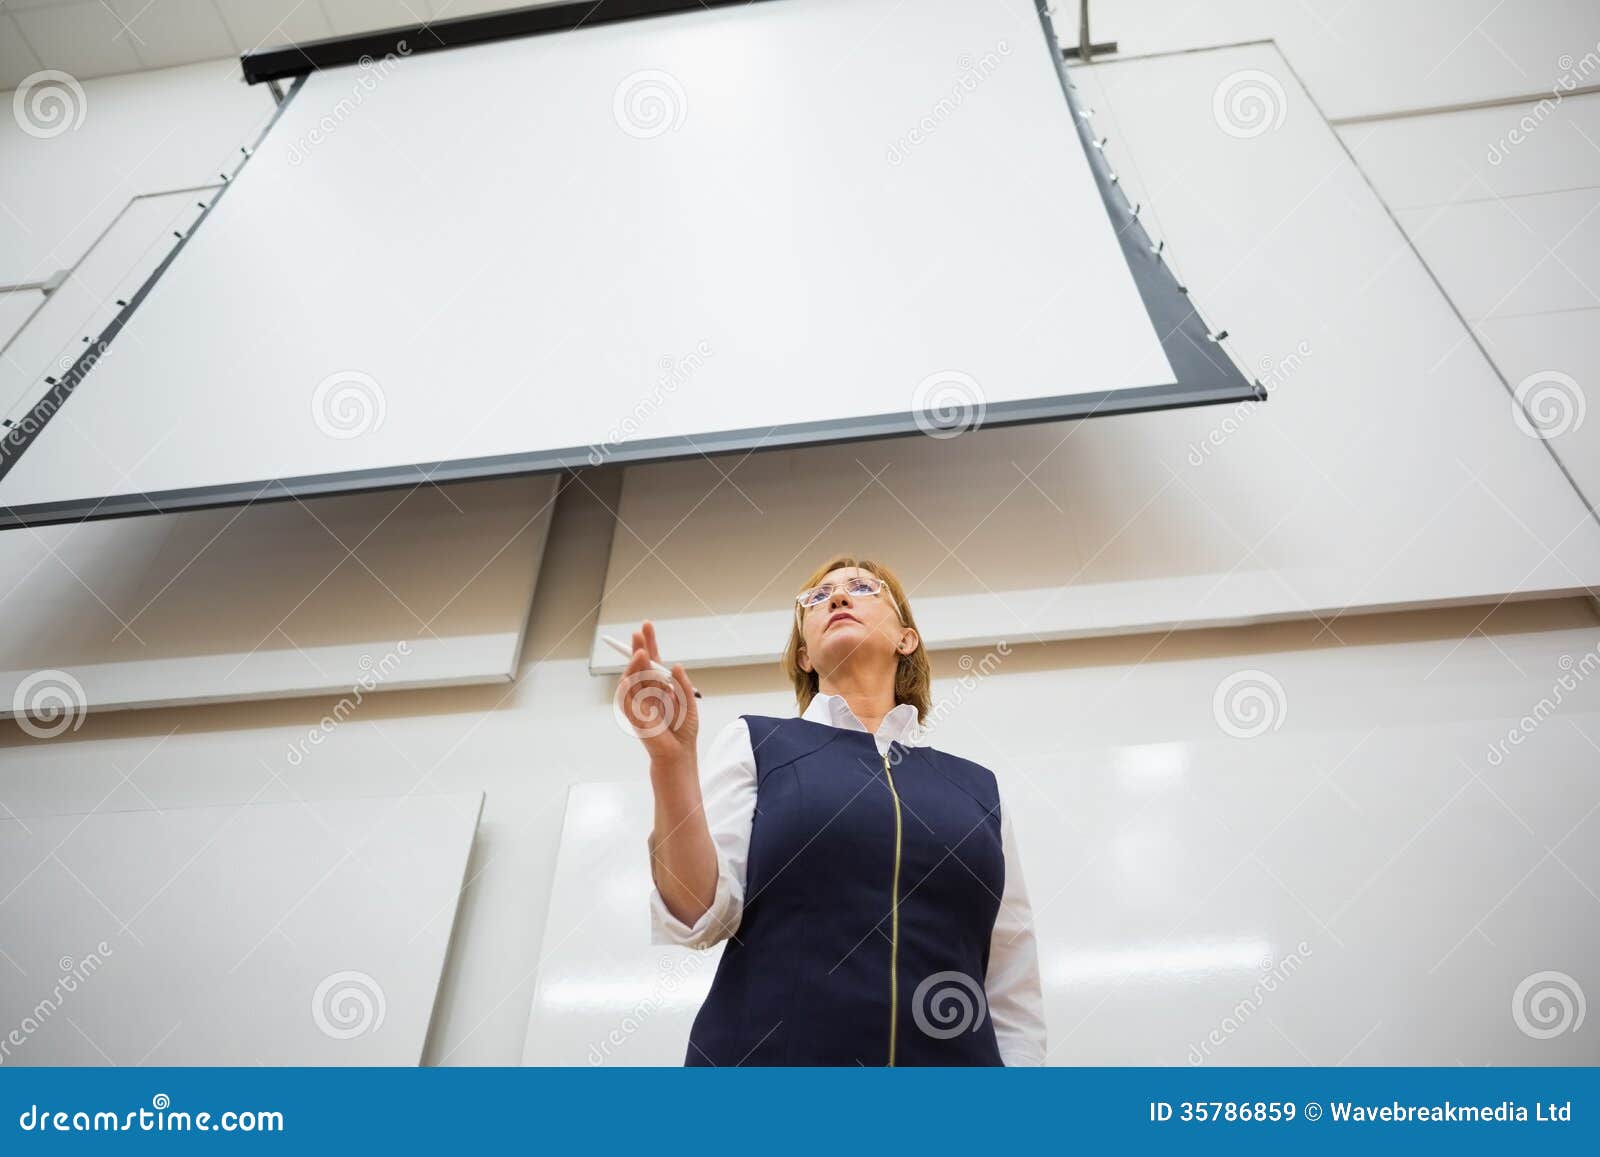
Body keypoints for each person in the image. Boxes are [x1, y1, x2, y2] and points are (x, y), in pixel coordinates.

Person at [618, 554, 1047, 1065]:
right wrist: (672, 763)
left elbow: (1011, 984)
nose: (838, 598)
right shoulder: (759, 743)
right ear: (804, 654)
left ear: (905, 638)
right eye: (817, 599)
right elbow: (696, 914)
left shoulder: (978, 789)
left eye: (863, 588)